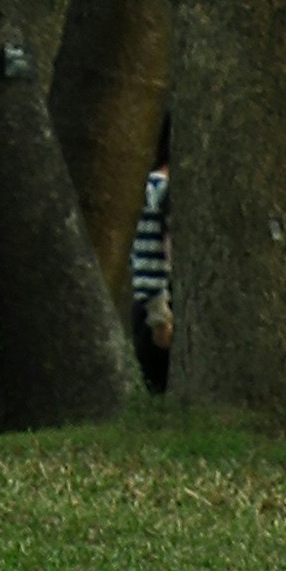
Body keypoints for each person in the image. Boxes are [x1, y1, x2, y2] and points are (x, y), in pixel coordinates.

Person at [127, 161, 172, 396]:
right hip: (158, 302)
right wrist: (159, 316)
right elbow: (148, 256)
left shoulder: (147, 186)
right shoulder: (158, 189)